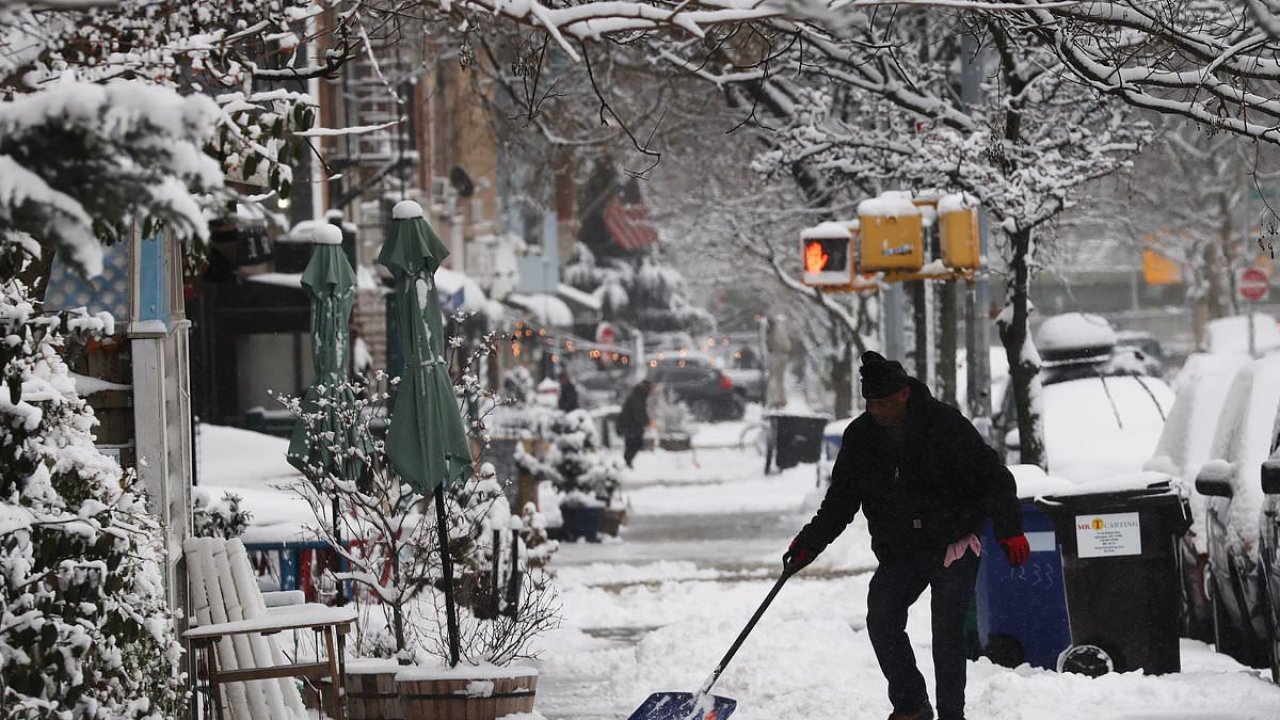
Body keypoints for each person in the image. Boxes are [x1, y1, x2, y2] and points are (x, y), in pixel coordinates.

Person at [783, 351, 1027, 720]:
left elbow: (995, 477)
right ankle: (911, 704)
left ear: (904, 394)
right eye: (871, 403)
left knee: (946, 634)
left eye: (884, 402)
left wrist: (1010, 530)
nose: (878, 410)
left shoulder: (943, 424)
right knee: (881, 616)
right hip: (901, 550)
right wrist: (808, 544)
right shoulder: (861, 437)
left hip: (953, 543)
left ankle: (950, 713)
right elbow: (840, 501)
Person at [616, 379, 653, 468]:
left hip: (630, 425)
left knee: (632, 444)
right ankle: (627, 462)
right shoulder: (639, 396)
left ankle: (627, 462)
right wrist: (646, 421)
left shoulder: (638, 394)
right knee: (635, 443)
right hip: (631, 425)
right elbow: (639, 411)